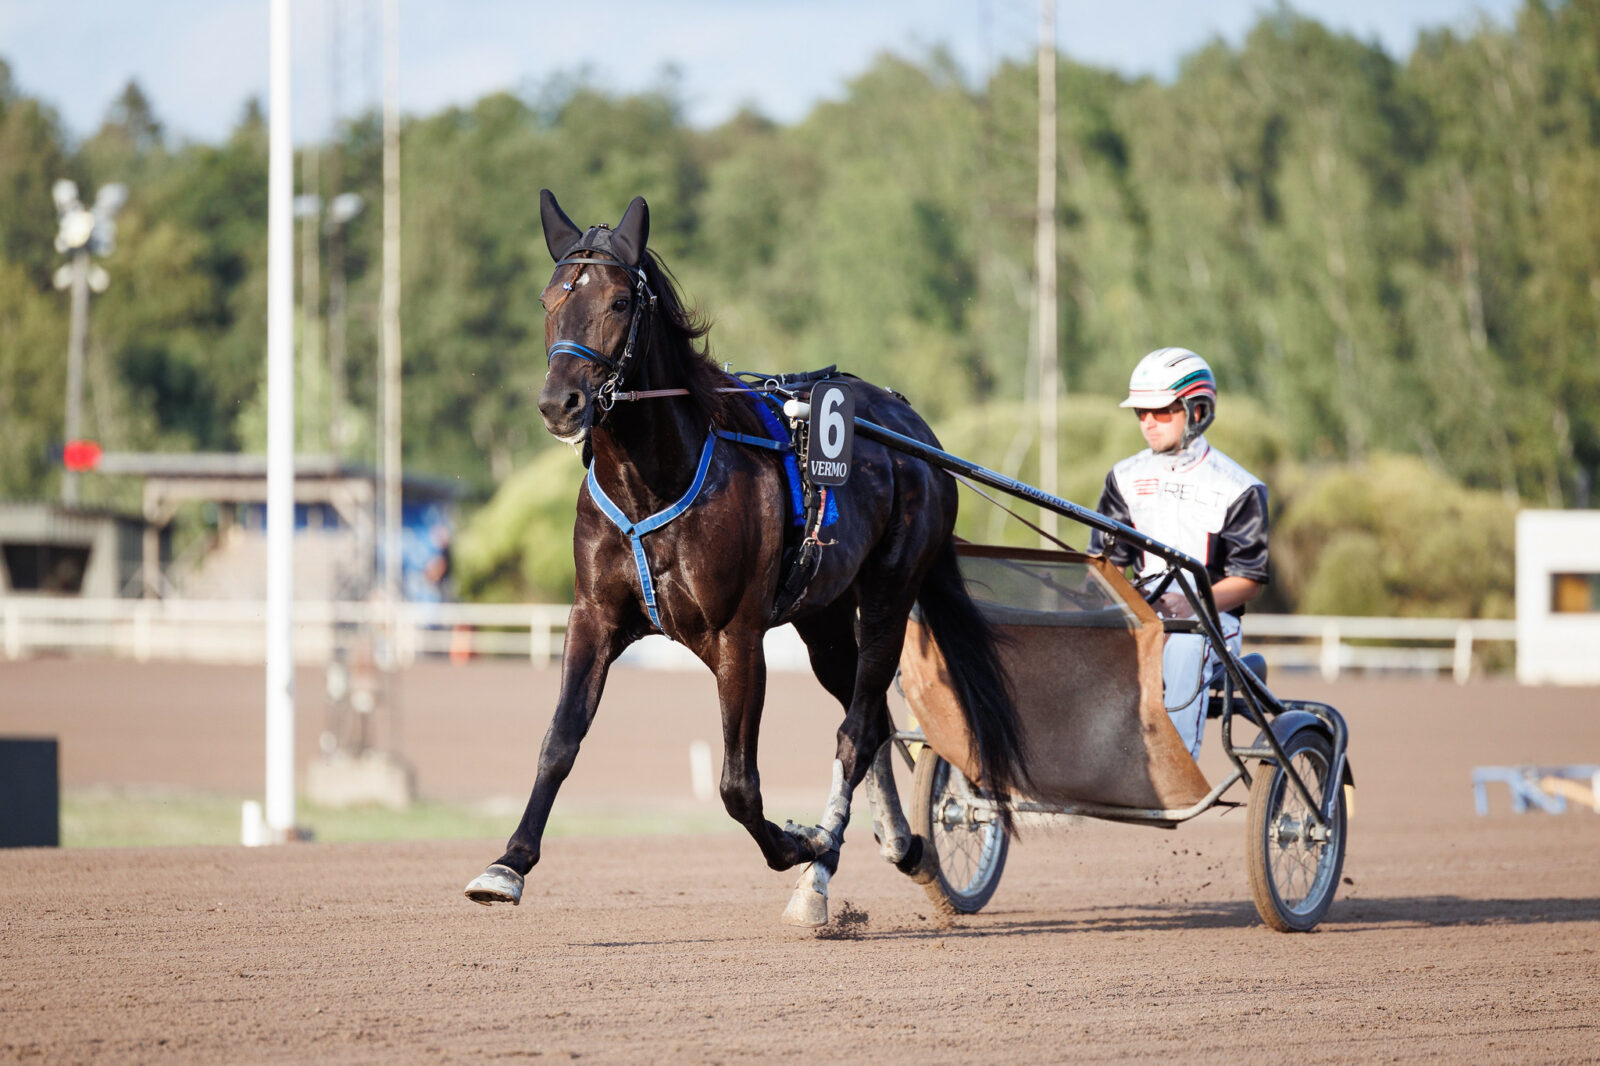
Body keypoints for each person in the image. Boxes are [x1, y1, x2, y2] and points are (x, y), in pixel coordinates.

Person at [1088, 347, 1268, 760]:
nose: (1148, 422)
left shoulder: (1239, 486)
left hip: (1212, 618)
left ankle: (1173, 763)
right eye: (1140, 413)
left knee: (1187, 641)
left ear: (1198, 409)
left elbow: (1250, 580)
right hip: (1143, 611)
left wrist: (1190, 603)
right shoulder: (1125, 476)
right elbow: (1106, 565)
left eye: (1162, 410)